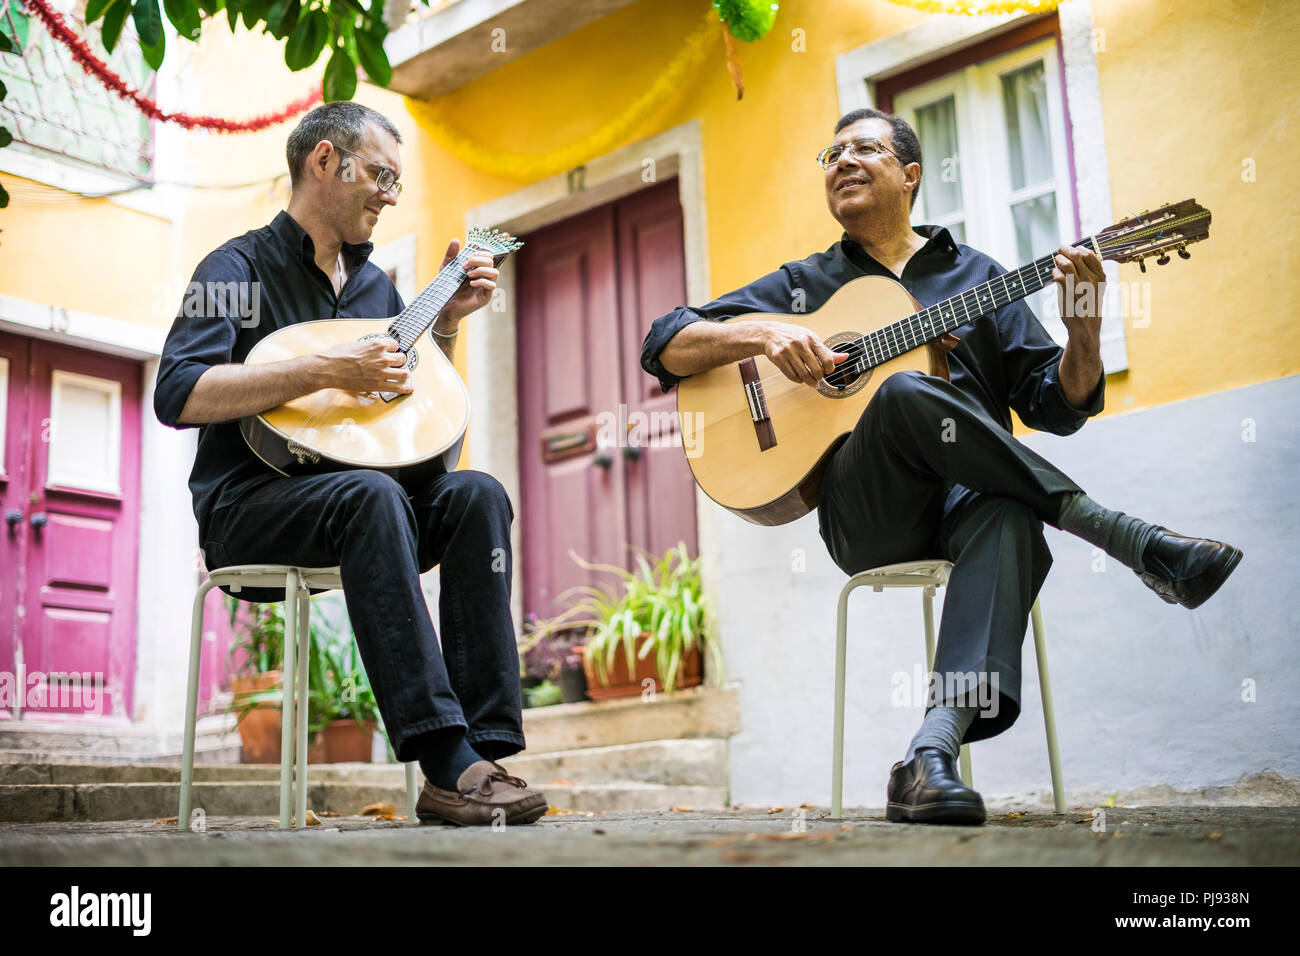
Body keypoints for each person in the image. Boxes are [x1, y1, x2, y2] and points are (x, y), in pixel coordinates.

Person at [640, 108, 1242, 825]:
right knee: (901, 391)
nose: (842, 160)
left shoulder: (980, 276)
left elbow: (1059, 406)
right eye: (831, 152)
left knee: (1009, 511)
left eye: (864, 148)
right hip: (870, 515)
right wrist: (765, 332)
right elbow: (665, 344)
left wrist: (1083, 326)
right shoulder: (807, 285)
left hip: (974, 506)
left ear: (911, 174)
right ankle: (1125, 537)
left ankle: (929, 754)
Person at [154, 101, 547, 826]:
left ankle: (483, 746)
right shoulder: (232, 268)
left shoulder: (378, 290)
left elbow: (413, 423)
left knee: (476, 496)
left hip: (372, 505)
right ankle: (444, 758)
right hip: (252, 508)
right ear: (324, 160)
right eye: (379, 174)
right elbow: (177, 391)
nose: (390, 195)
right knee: (368, 495)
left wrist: (448, 327)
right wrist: (324, 368)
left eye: (399, 182)